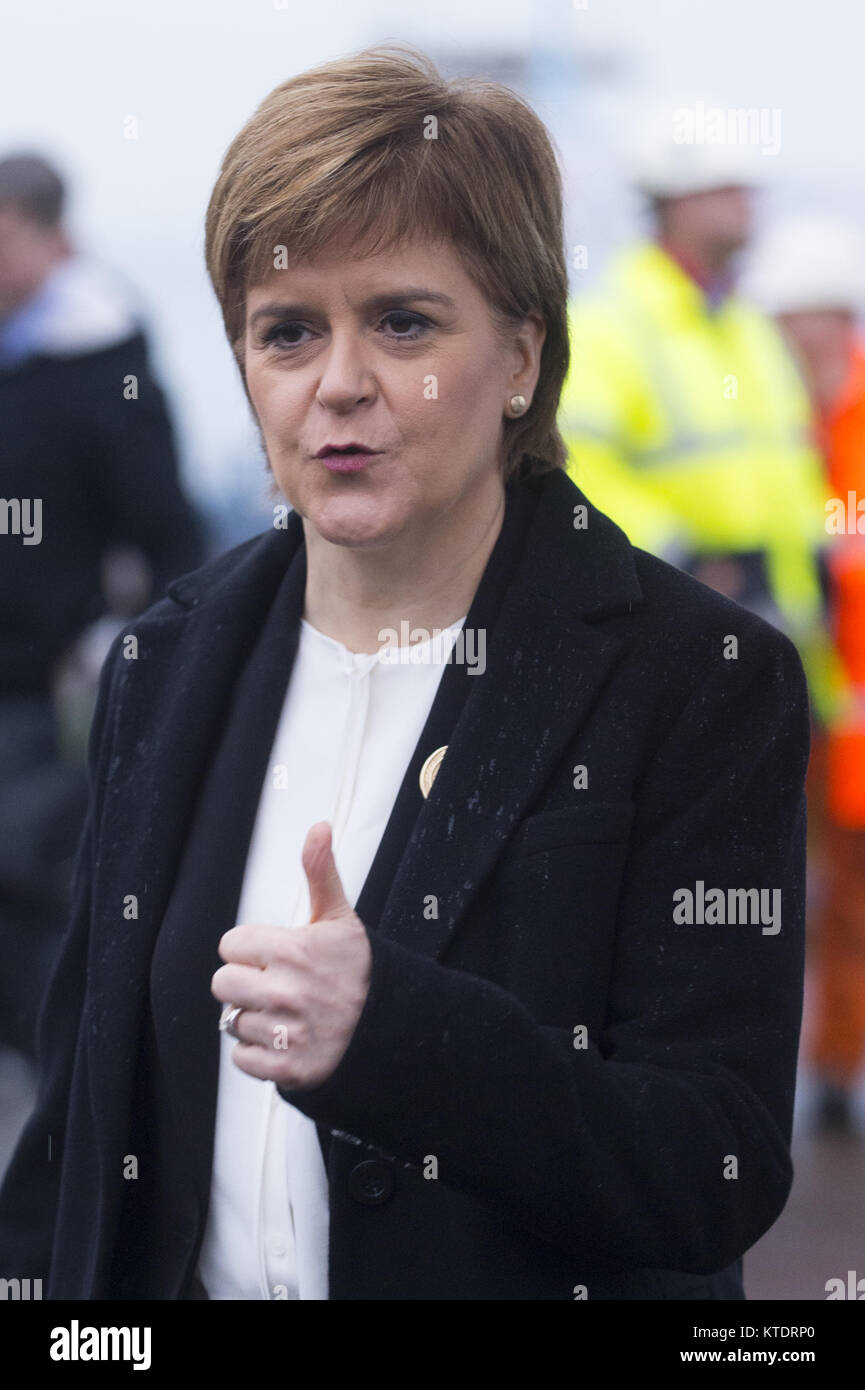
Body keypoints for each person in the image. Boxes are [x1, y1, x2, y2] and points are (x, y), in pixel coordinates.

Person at [0, 45, 809, 1301]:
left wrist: (399, 1039)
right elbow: (77, 1127)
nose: (338, 384)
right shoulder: (164, 662)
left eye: (402, 321)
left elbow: (712, 1164)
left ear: (524, 357)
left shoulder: (696, 674)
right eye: (287, 331)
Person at [0, 153, 204, 1057]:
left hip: (55, 683)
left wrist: (135, 656)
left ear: (57, 240)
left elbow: (165, 530)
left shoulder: (103, 359)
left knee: (42, 873)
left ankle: (55, 1084)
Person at [558, 110, 837, 724]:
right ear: (673, 203)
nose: (745, 207)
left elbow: (790, 461)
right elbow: (578, 463)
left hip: (780, 632)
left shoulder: (751, 328)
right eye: (724, 191)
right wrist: (679, 559)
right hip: (679, 630)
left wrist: (816, 567)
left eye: (745, 191)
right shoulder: (612, 326)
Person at [748, 213, 865, 1135]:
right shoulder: (775, 424)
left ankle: (837, 1066)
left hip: (845, 705)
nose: (803, 341)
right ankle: (827, 1067)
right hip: (816, 702)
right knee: (812, 896)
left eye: (817, 320)